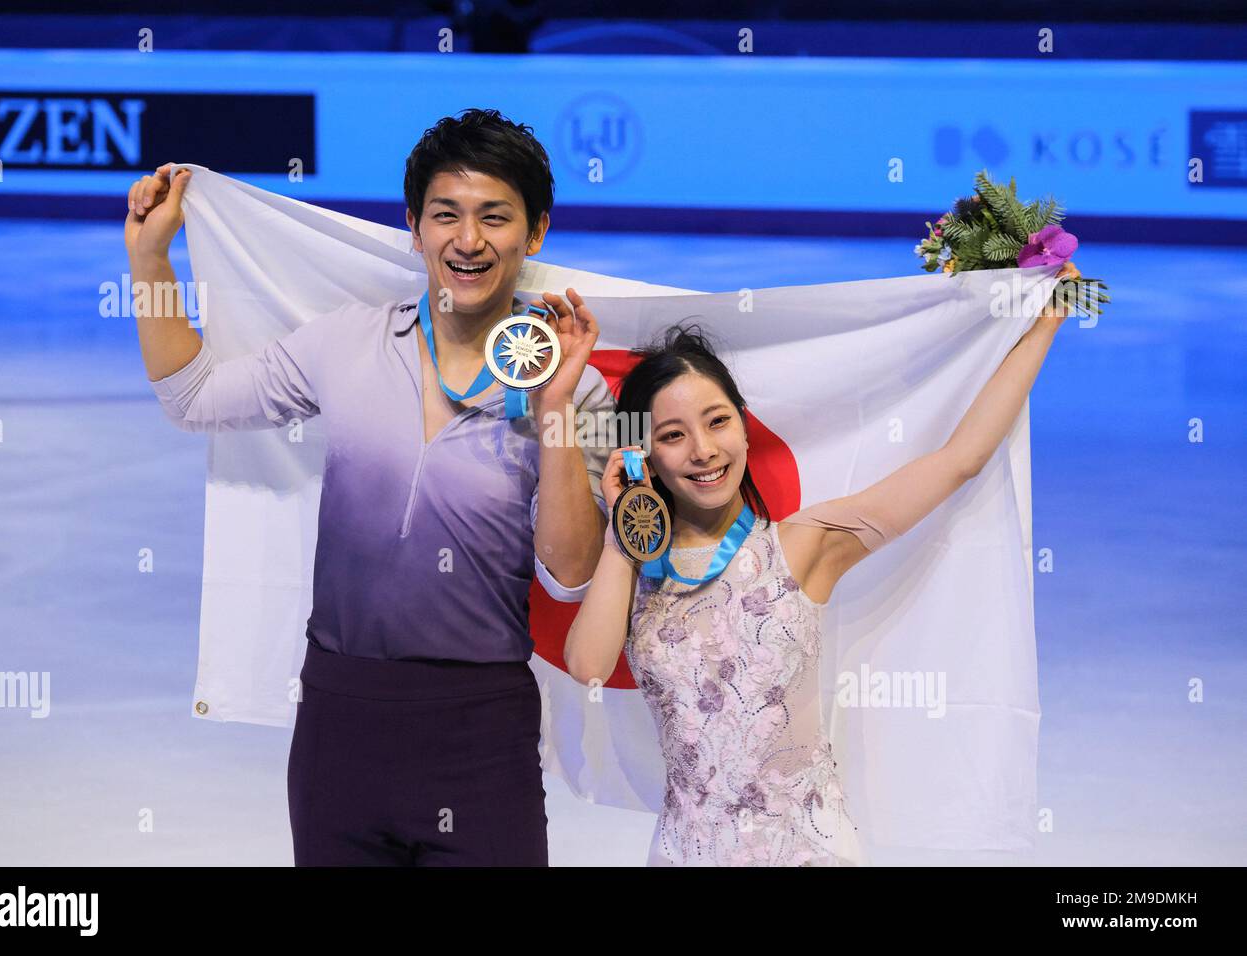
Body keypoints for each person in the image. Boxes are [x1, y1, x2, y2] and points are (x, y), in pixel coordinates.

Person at [124, 108, 616, 866]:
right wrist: (151, 259)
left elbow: (571, 574)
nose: (469, 240)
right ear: (414, 228)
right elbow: (194, 400)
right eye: (446, 215)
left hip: (482, 731)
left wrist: (553, 414)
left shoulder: (573, 388)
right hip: (338, 723)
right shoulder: (344, 342)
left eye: (495, 217)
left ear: (537, 231)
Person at [564, 261, 1079, 866]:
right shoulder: (636, 568)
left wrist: (1046, 322)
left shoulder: (805, 546)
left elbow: (959, 460)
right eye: (672, 435)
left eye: (718, 421)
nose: (703, 450)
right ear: (643, 453)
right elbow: (588, 666)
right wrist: (625, 525)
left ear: (745, 429)